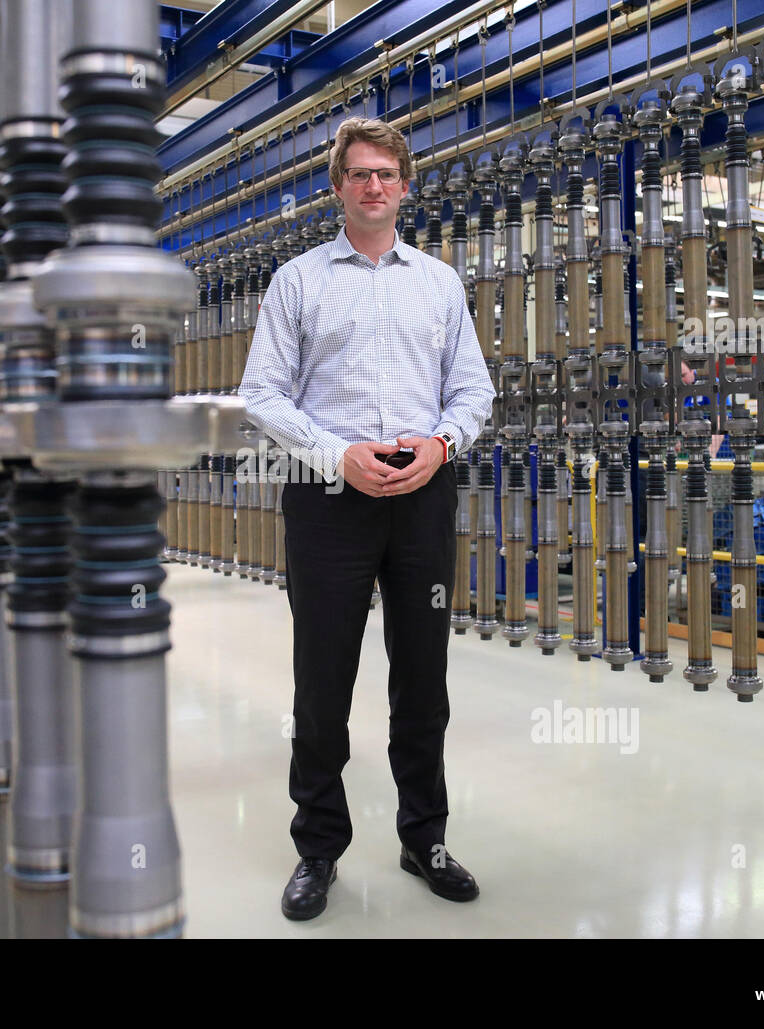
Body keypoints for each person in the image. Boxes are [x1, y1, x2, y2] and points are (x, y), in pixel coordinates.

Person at [238, 116, 495, 921]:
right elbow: (262, 394)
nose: (374, 186)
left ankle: (426, 837)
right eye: (359, 174)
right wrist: (334, 452)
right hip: (329, 503)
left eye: (387, 173)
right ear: (338, 186)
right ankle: (318, 847)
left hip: (421, 497)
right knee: (322, 682)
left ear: (407, 185)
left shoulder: (441, 284)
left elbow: (474, 391)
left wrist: (442, 442)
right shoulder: (299, 281)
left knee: (423, 679)